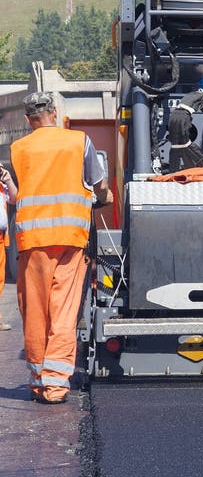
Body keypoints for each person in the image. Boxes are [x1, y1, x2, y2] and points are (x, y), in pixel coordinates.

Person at [10, 92, 113, 404]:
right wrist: (103, 196)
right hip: (70, 238)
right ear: (54, 113)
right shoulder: (78, 141)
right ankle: (55, 386)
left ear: (28, 119)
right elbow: (99, 184)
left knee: (36, 313)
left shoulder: (19, 148)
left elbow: (24, 191)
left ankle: (40, 382)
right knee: (63, 312)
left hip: (32, 242)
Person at [0, 163, 17, 331]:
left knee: (0, 280)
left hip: (0, 238)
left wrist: (8, 179)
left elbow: (14, 198)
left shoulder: (2, 186)